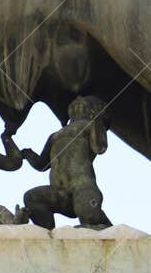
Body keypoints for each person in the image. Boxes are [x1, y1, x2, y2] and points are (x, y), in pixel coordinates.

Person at [17, 96, 112, 230]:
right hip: (60, 194)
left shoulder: (90, 125)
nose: (78, 100)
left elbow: (100, 147)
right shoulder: (55, 135)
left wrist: (97, 121)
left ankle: (109, 229)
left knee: (89, 215)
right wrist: (28, 154)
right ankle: (48, 235)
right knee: (32, 197)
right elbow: (41, 164)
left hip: (83, 188)